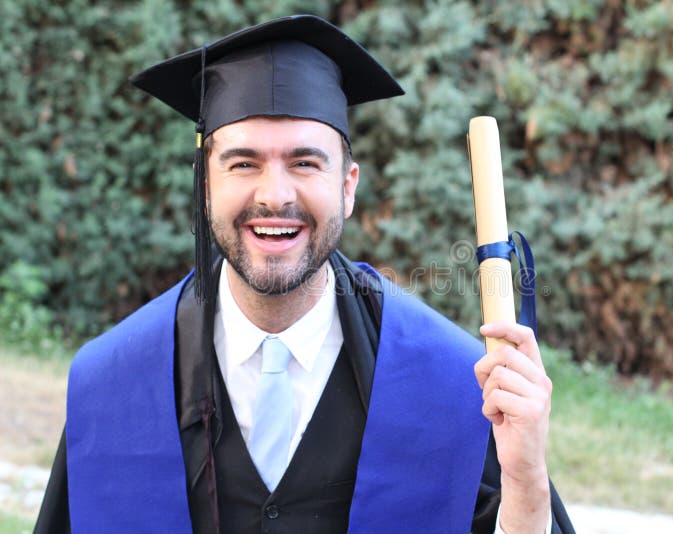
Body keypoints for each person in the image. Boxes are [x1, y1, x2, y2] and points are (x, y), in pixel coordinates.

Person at [35, 14, 574, 534]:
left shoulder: (454, 386)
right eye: (243, 163)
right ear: (205, 186)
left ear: (348, 186)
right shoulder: (114, 386)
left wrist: (525, 481)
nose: (275, 195)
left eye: (305, 163)